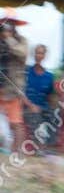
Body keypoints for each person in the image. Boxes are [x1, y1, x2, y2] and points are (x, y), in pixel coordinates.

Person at [0, 10, 29, 154]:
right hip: (1, 87)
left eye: (10, 24)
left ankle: (17, 152)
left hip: (13, 88)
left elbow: (22, 54)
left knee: (15, 122)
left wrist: (9, 39)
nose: (7, 26)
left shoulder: (22, 41)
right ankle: (5, 149)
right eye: (5, 23)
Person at [25, 43, 57, 148]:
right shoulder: (26, 72)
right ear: (33, 55)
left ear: (44, 56)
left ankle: (50, 147)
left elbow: (51, 96)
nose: (39, 55)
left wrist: (54, 108)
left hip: (43, 107)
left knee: (54, 115)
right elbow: (20, 92)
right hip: (27, 107)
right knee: (35, 116)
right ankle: (38, 148)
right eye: (37, 53)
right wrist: (30, 106)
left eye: (41, 53)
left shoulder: (49, 76)